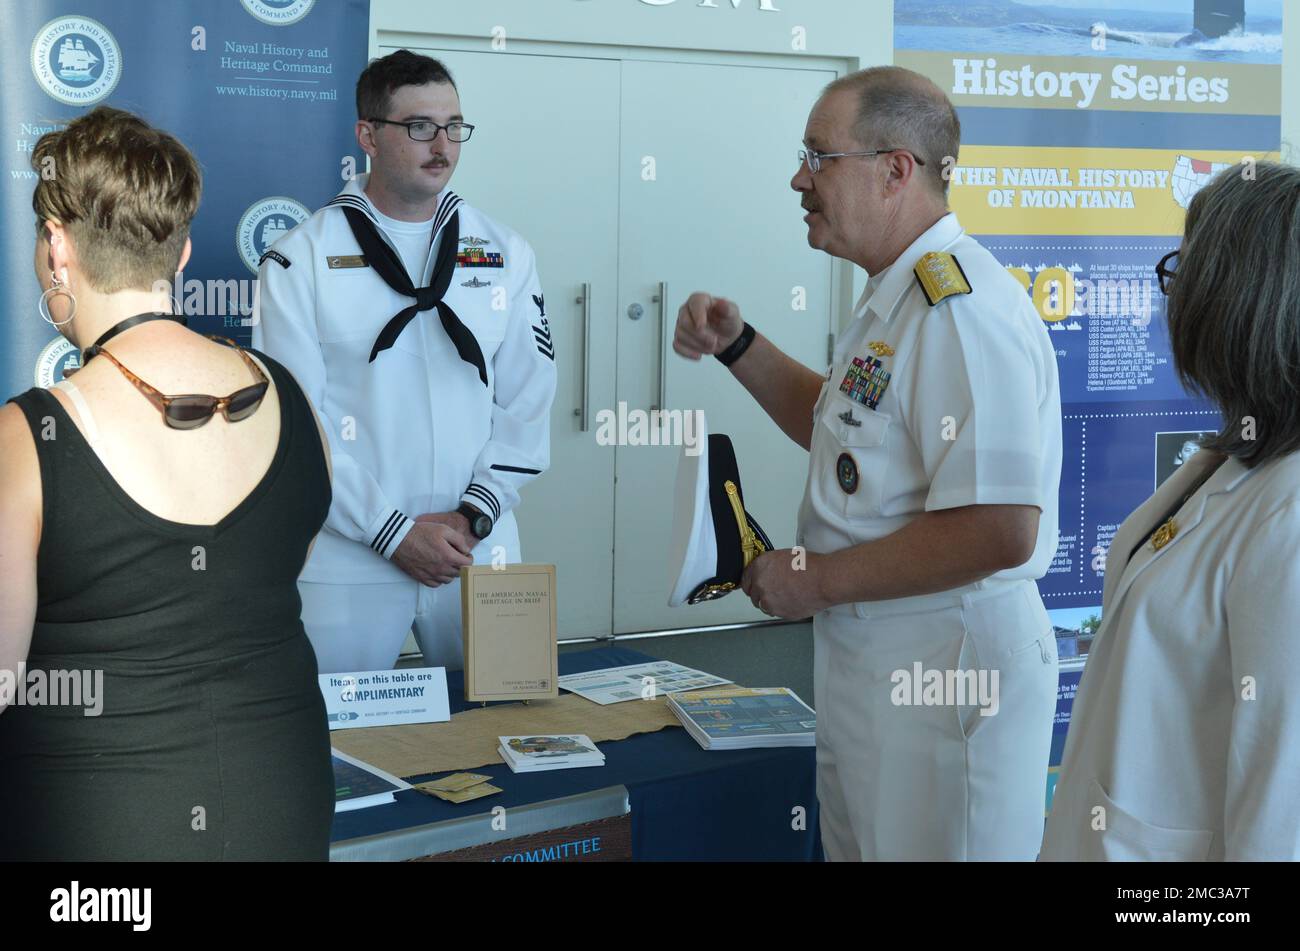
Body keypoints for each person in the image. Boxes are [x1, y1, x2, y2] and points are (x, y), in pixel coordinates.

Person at [673, 66, 1063, 861]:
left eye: (819, 157)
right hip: (878, 661)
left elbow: (1001, 527)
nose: (800, 179)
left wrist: (817, 580)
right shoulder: (898, 295)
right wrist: (739, 347)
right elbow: (844, 431)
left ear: (896, 171)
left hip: (943, 666)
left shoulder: (960, 310)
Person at [0, 106, 335, 860]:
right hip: (283, 806)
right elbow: (268, 577)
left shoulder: (25, 437)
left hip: (99, 833)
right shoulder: (291, 400)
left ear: (57, 246)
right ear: (180, 254)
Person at [254, 50, 557, 673]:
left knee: (517, 715)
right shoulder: (298, 260)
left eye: (454, 126)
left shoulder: (506, 252)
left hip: (480, 545)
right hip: (352, 554)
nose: (442, 145)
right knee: (339, 729)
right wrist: (390, 531)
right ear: (368, 136)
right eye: (419, 127)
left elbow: (529, 402)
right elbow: (296, 429)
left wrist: (475, 513)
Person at [1041, 161, 1300, 861]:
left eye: (1186, 272)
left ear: (1241, 297)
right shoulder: (1231, 458)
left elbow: (1282, 811)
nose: (1173, 295)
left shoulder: (1289, 513)